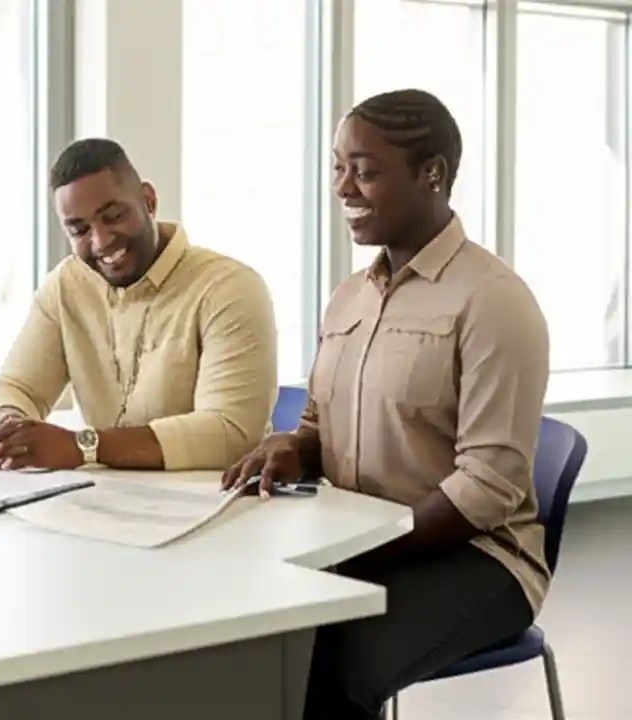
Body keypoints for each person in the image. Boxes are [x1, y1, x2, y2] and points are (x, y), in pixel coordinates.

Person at [223, 89, 550, 719]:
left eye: (366, 171)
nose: (344, 187)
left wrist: (357, 555)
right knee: (245, 637)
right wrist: (291, 445)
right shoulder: (350, 295)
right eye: (339, 168)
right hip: (358, 536)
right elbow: (319, 421)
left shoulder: (494, 301)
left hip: (476, 560)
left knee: (326, 665)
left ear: (433, 175)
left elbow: (485, 489)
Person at [0, 138, 278, 472]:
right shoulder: (66, 285)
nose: (101, 241)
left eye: (114, 216)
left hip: (216, 510)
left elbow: (230, 433)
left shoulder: (229, 288)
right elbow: (15, 387)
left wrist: (83, 447)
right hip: (106, 505)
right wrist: (9, 427)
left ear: (149, 201)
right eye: (79, 230)